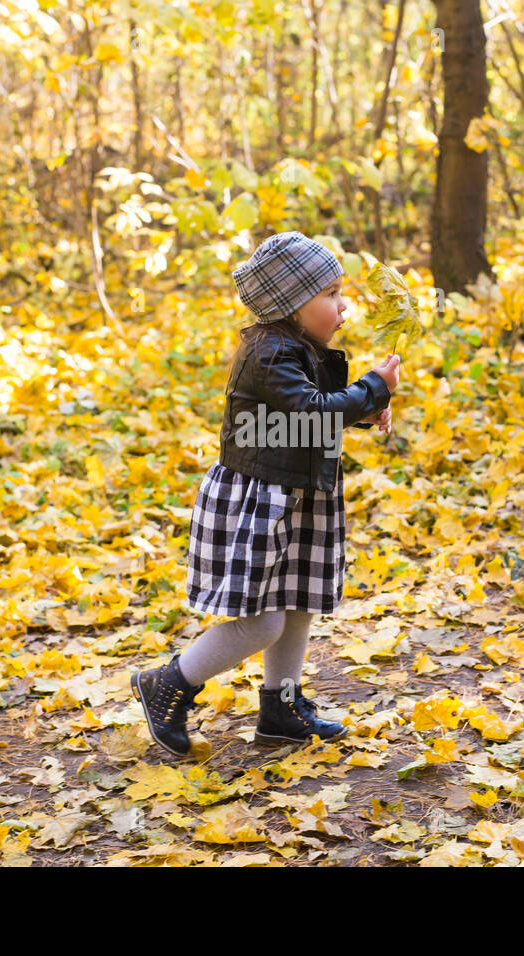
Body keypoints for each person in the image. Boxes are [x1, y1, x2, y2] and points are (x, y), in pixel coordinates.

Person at [131, 231, 401, 758]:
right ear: (290, 306)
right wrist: (372, 387)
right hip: (258, 501)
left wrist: (362, 412)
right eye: (328, 294)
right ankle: (169, 683)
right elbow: (312, 411)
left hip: (296, 494)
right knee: (263, 619)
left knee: (297, 600)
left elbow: (311, 415)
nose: (341, 305)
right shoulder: (268, 353)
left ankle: (281, 708)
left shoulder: (296, 346)